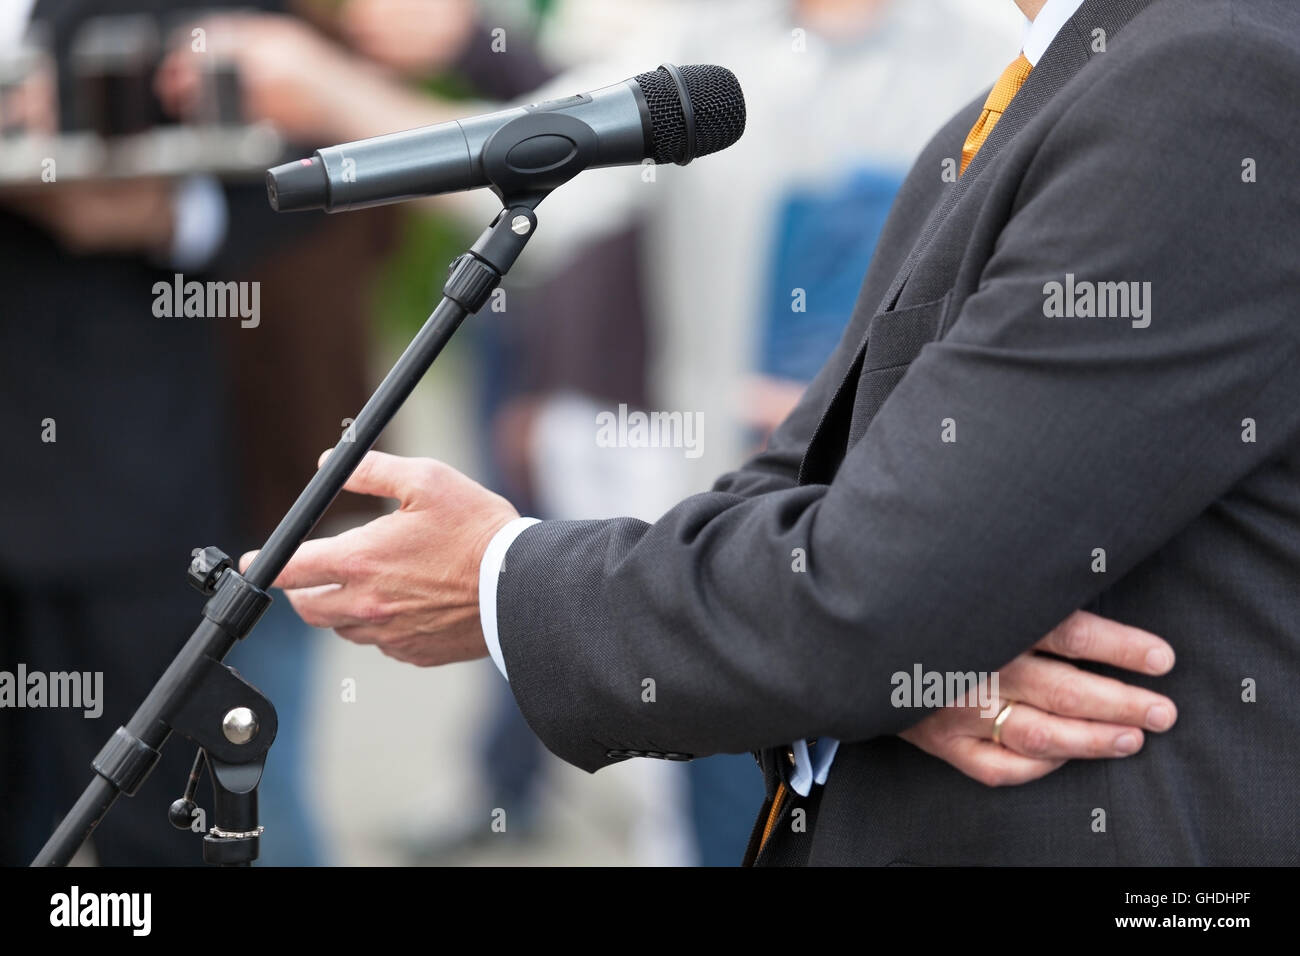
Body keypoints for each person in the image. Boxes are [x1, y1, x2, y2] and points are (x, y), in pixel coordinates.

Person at [245, 0, 1300, 865]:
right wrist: (904, 660)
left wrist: (499, 577)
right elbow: (820, 504)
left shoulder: (1205, 78)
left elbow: (876, 591)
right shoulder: (1020, 90)